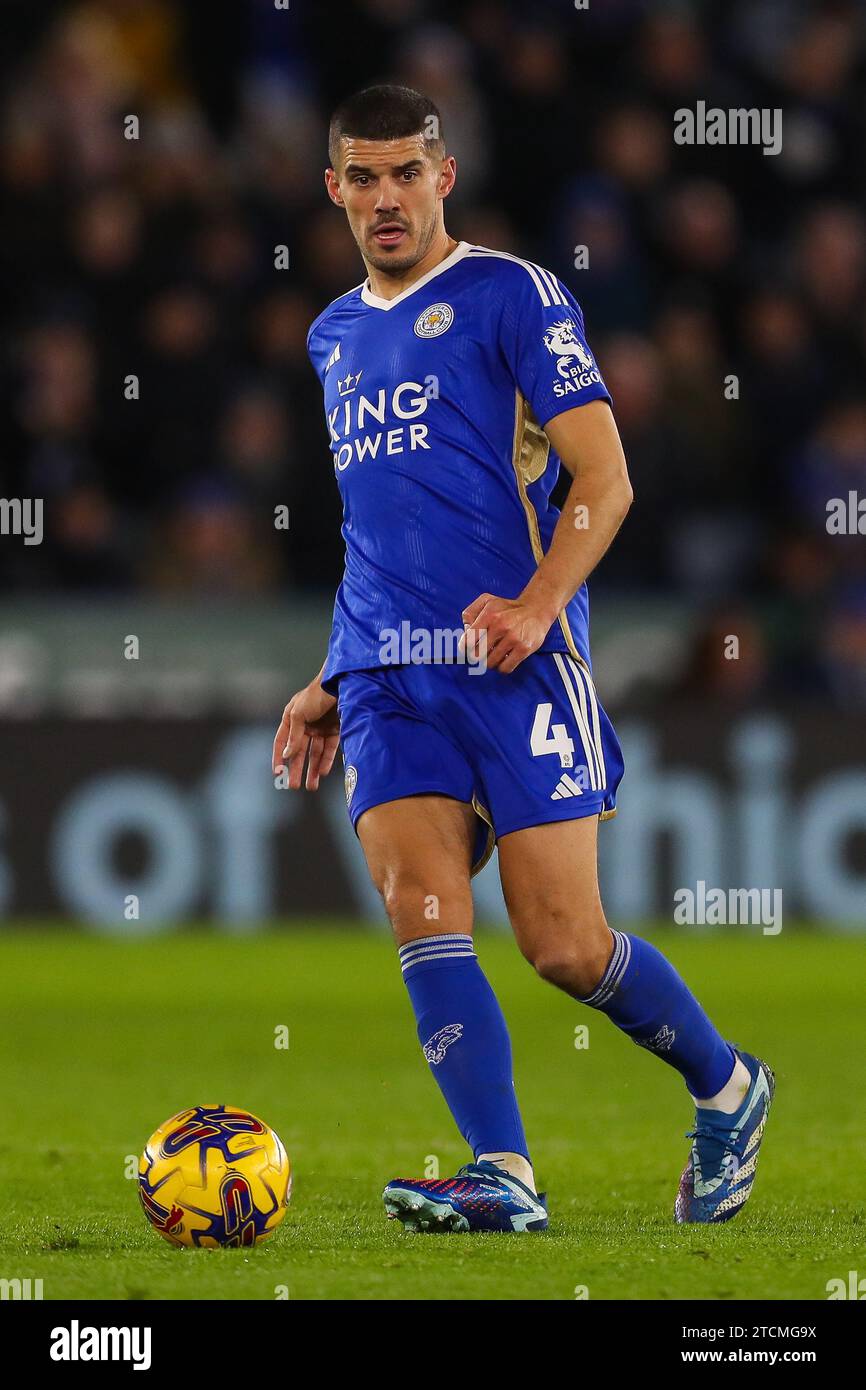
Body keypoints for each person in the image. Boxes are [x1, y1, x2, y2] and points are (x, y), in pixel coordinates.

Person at [272, 85, 773, 1233]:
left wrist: (541, 605)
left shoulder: (511, 296)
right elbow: (376, 530)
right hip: (387, 674)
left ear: (443, 177)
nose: (387, 197)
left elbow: (606, 480)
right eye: (364, 176)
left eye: (408, 173)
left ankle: (728, 1086)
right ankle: (502, 1172)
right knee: (421, 906)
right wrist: (327, 674)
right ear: (333, 189)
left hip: (515, 668)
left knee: (561, 946)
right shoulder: (332, 333)